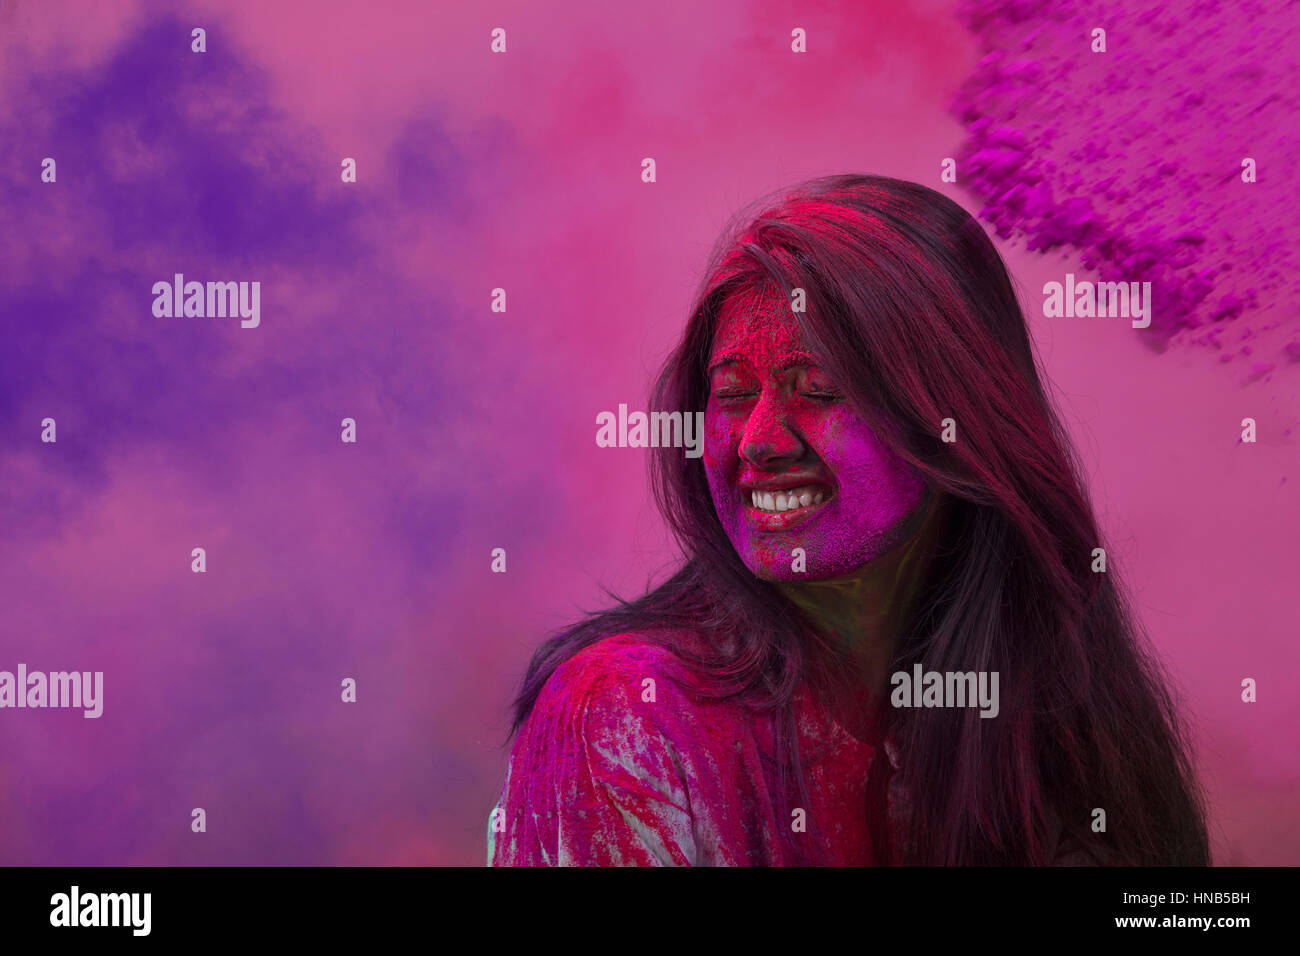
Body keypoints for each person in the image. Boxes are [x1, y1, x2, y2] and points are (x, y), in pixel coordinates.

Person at [488, 173, 1211, 866]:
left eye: (821, 390)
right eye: (732, 393)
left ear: (954, 426)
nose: (760, 440)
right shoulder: (623, 714)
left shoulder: (1052, 710)